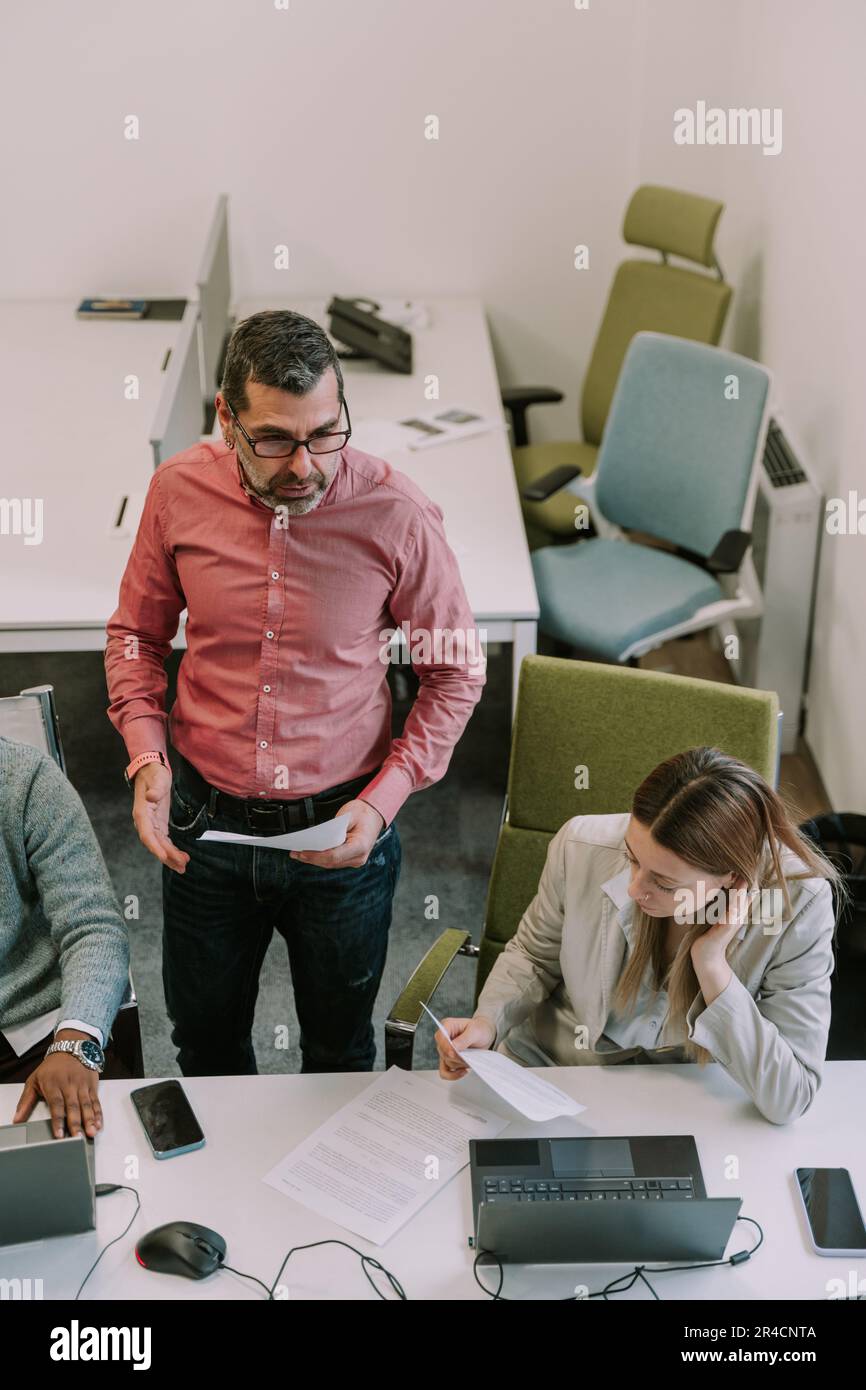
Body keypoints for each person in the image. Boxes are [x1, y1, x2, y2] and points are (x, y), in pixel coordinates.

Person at [105, 309, 486, 1077]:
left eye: (325, 433)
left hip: (343, 829)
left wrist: (384, 801)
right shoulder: (178, 490)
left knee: (340, 1054)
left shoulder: (395, 512)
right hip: (206, 828)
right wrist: (146, 758)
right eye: (276, 439)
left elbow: (454, 669)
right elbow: (136, 638)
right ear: (228, 420)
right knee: (205, 1047)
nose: (305, 466)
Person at [436, 747, 841, 1125]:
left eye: (664, 883)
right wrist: (488, 1021)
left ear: (731, 880)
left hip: (686, 1104)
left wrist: (713, 967)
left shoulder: (796, 905)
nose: (634, 889)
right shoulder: (581, 846)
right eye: (632, 858)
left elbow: (791, 1095)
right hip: (554, 1073)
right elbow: (533, 955)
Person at [0, 736, 131, 1137]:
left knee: (97, 1176)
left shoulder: (24, 779)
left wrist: (75, 1039)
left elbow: (92, 925)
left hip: (34, 1029)